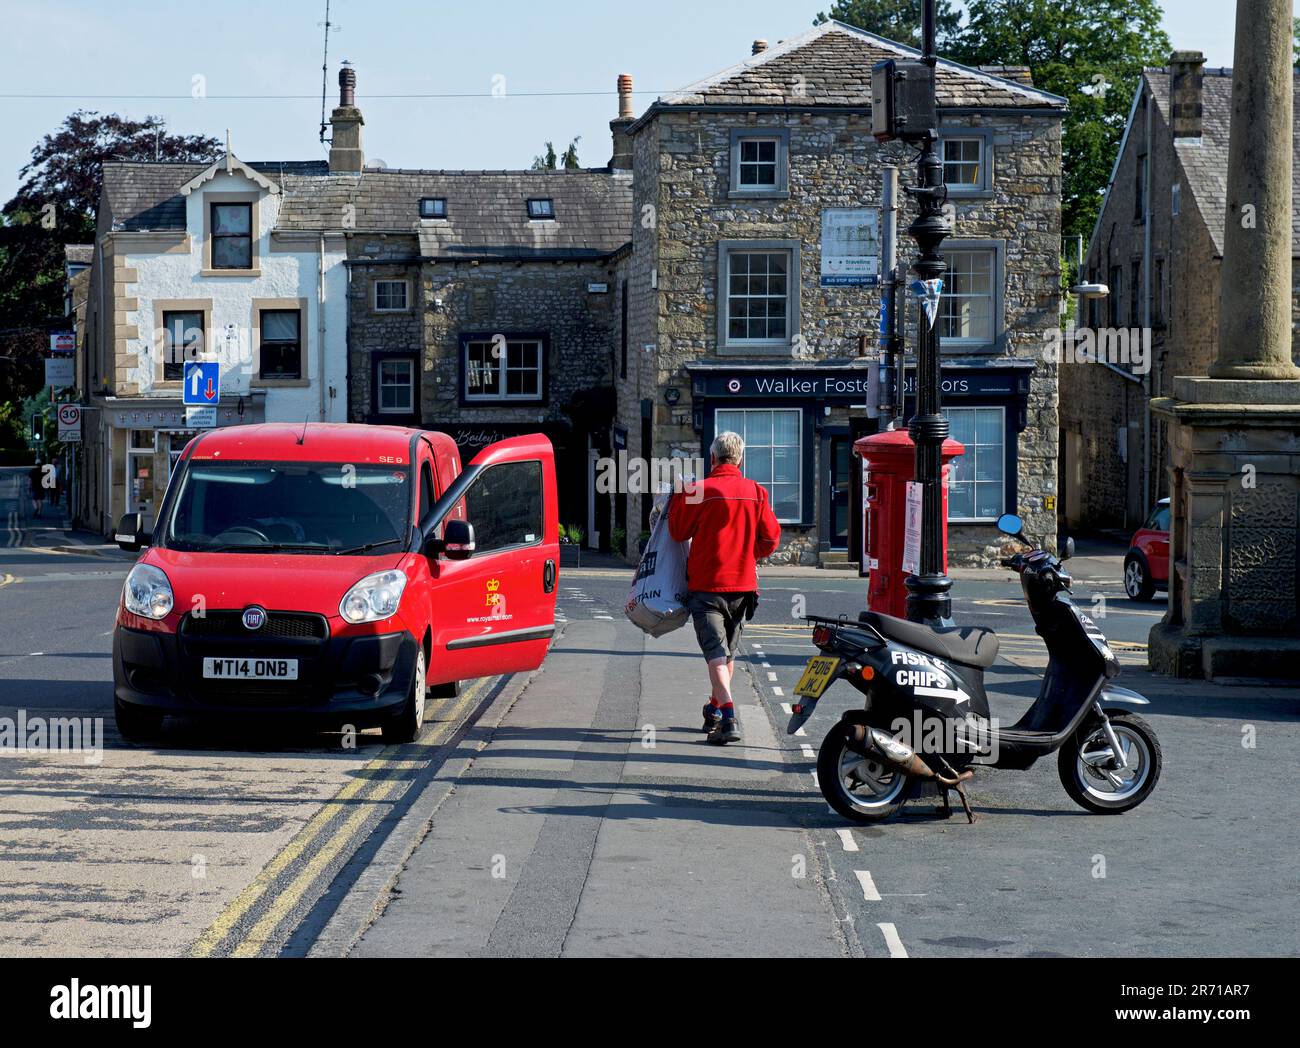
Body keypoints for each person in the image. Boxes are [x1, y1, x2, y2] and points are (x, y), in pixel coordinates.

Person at [668, 432, 781, 746]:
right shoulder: (756, 492)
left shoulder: (698, 491)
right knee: (726, 654)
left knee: (716, 655)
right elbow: (771, 539)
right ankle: (714, 708)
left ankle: (729, 716)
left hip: (707, 586)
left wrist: (679, 496)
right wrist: (748, 554)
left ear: (713, 458)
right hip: (744, 587)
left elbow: (677, 532)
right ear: (741, 460)